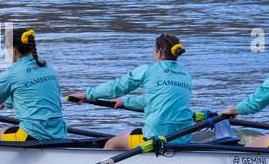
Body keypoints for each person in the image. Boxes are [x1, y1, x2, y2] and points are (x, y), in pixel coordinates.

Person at [68, 33, 196, 150]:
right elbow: (155, 101)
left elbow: (116, 87)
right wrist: (124, 101)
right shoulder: (186, 74)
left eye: (154, 51)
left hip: (156, 136)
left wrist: (87, 95)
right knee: (128, 135)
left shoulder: (148, 70)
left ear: (160, 52)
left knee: (111, 144)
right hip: (183, 136)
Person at [0, 28, 67, 142]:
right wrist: (5, 103)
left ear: (14, 50)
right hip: (59, 131)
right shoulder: (47, 68)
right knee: (3, 131)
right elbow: (30, 91)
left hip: (35, 134)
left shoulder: (11, 74)